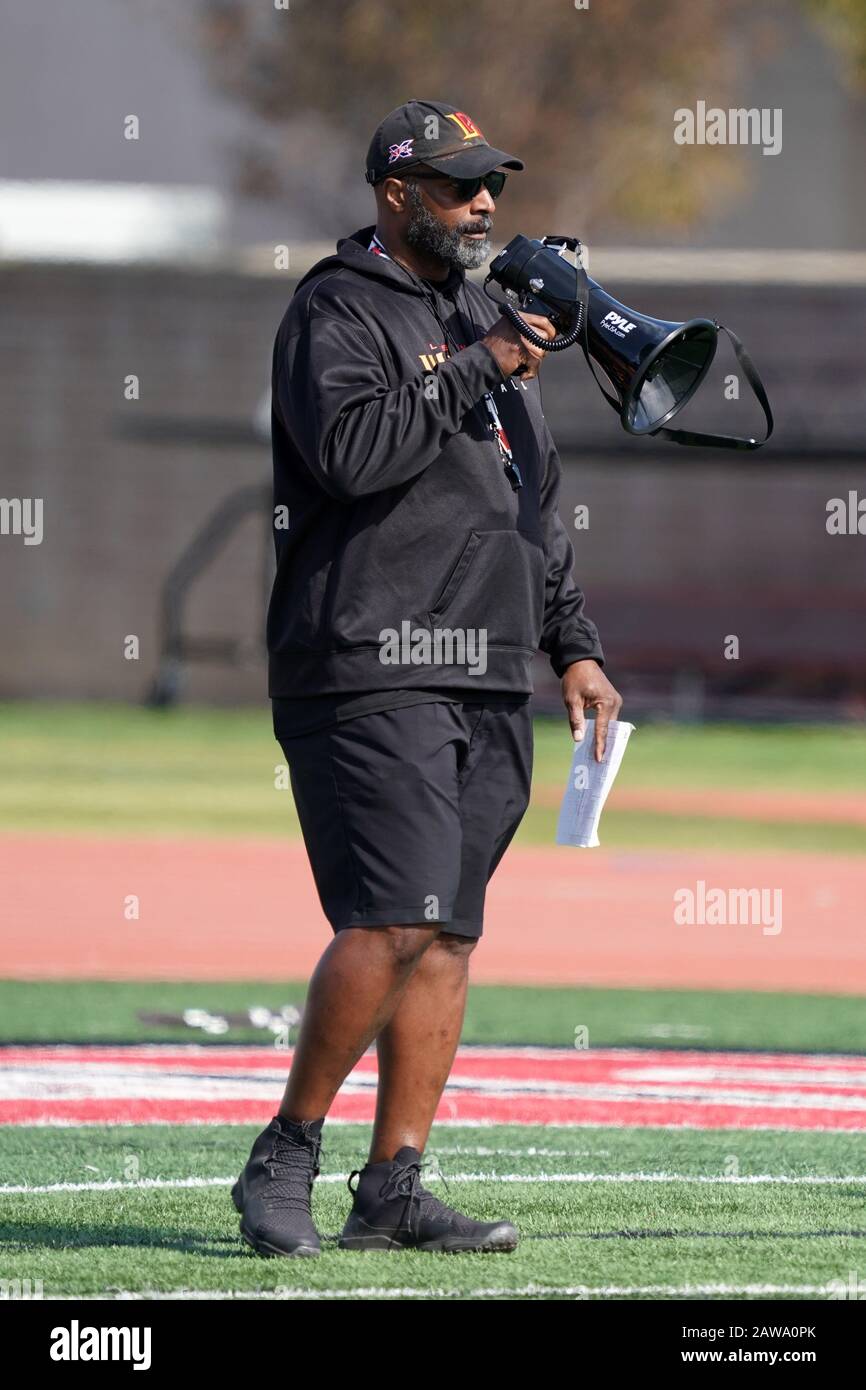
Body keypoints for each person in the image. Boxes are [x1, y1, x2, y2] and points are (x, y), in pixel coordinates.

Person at [232, 99, 622, 1257]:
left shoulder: (484, 320)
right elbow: (353, 453)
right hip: (368, 657)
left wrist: (574, 642)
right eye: (458, 188)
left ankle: (391, 1185)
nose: (483, 205)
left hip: (491, 665)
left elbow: (528, 509)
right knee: (392, 915)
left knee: (448, 932)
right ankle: (284, 1153)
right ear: (395, 195)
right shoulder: (335, 309)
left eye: (488, 185)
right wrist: (480, 361)